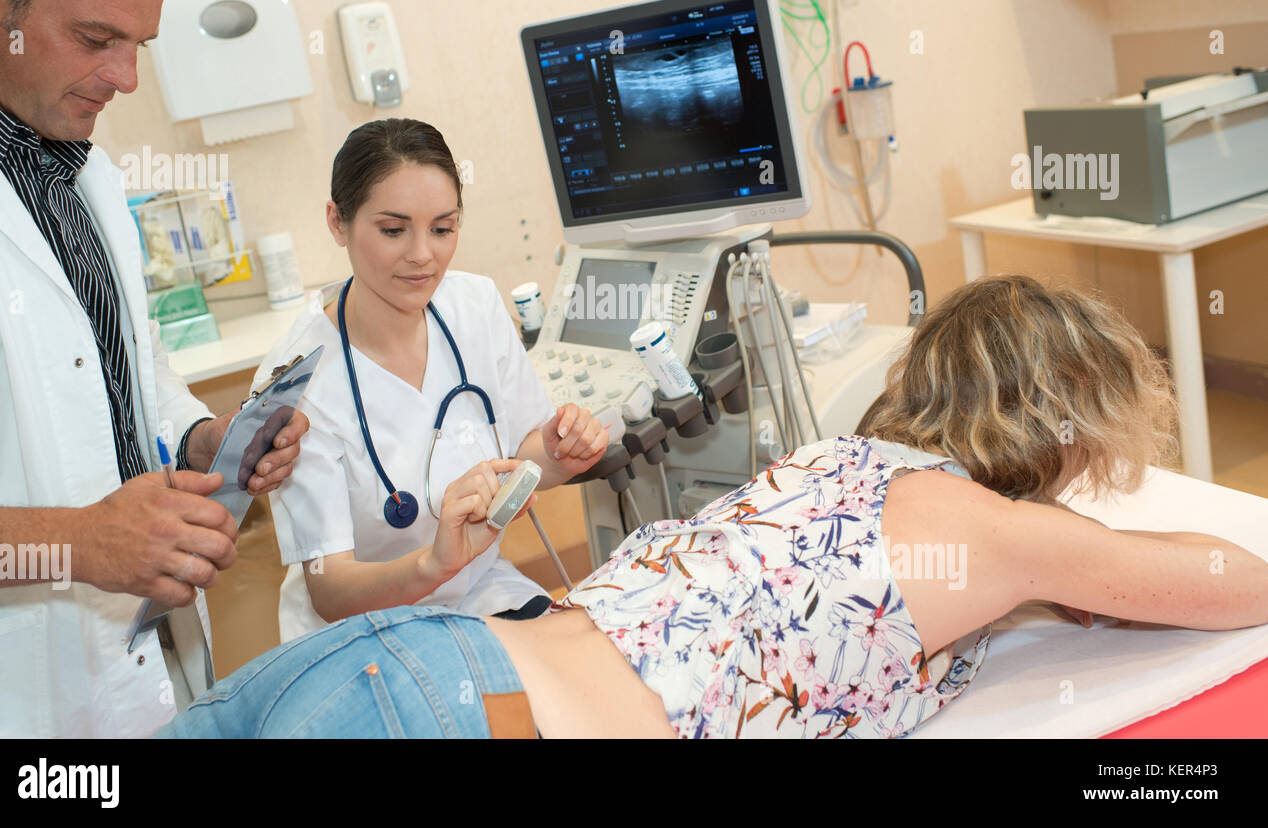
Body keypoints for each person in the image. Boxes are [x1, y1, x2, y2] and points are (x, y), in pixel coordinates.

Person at [162, 274, 1268, 738]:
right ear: (1067, 423)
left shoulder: (833, 461)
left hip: (403, 656)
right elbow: (1238, 582)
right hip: (471, 713)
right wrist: (1078, 554)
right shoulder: (1003, 530)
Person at [0, 0, 308, 737]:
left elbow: (125, 370)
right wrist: (78, 544)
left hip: (143, 659)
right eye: (95, 38)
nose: (122, 78)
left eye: (138, 47)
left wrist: (205, 440)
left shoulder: (84, 172)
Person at [253, 118, 608, 642]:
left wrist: (557, 455)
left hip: (483, 596)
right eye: (393, 230)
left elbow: (521, 461)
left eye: (443, 229)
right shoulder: (296, 380)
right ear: (338, 222)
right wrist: (434, 563)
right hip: (364, 632)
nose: (423, 255)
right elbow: (330, 590)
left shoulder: (475, 305)